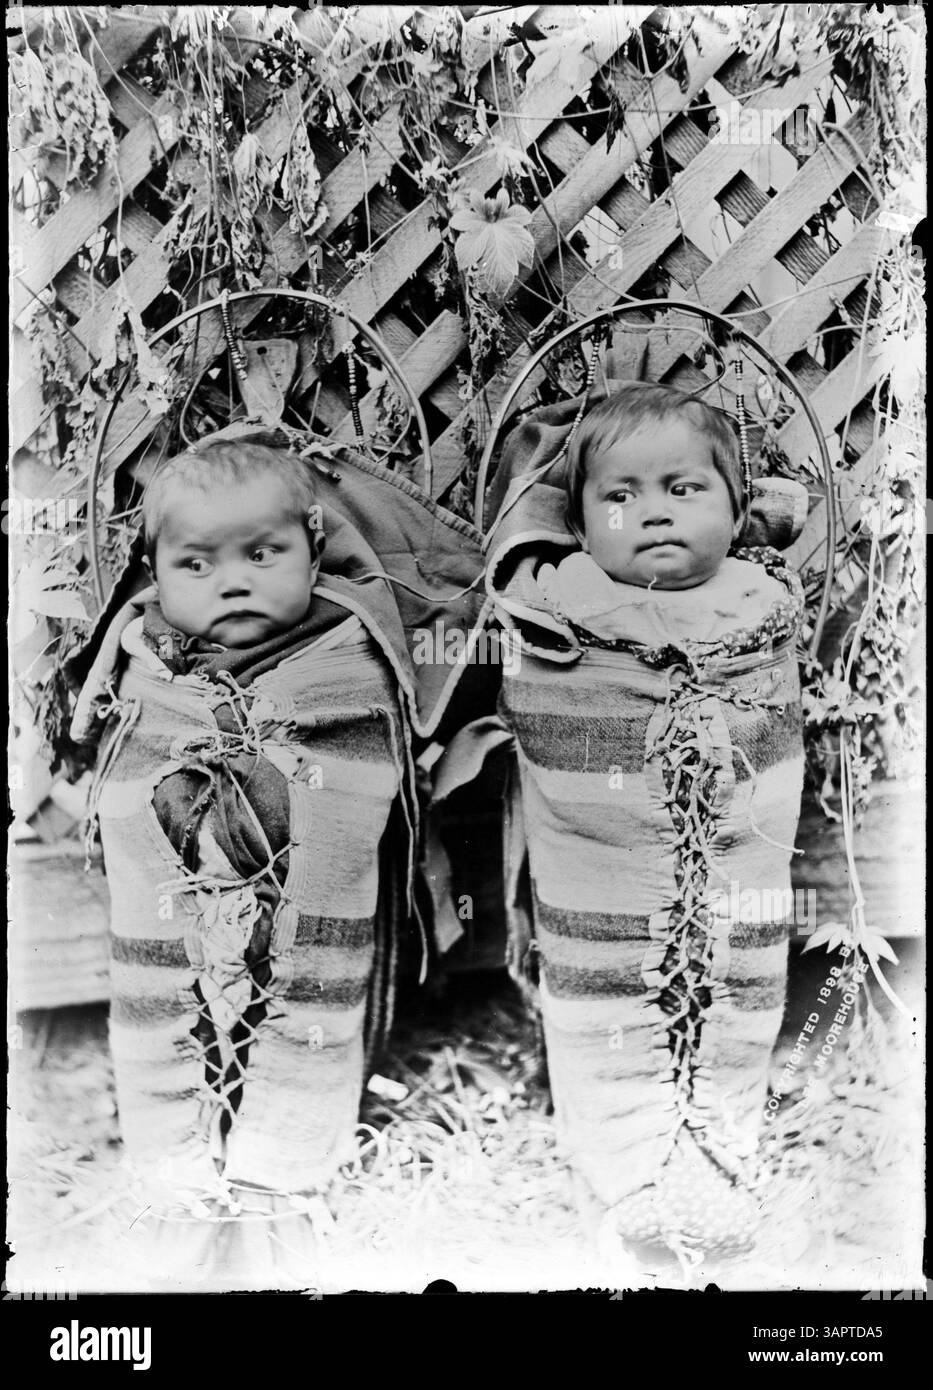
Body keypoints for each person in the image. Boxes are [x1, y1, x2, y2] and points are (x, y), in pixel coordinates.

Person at [73, 435, 412, 1287]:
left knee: (308, 995)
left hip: (299, 918)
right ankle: (177, 1169)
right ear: (154, 572)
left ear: (312, 544)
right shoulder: (146, 660)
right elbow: (127, 785)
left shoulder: (346, 651)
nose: (233, 581)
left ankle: (284, 1178)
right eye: (197, 563)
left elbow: (358, 780)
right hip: (187, 918)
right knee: (167, 1002)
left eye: (264, 554)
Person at [487, 381, 806, 1280]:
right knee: (605, 976)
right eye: (618, 497)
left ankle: (715, 1137)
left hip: (729, 855)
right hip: (605, 845)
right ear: (581, 524)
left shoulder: (756, 602)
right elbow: (547, 706)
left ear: (737, 507)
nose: (651, 513)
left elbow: (767, 738)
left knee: (737, 960)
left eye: (682, 488)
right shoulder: (568, 601)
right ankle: (628, 1159)